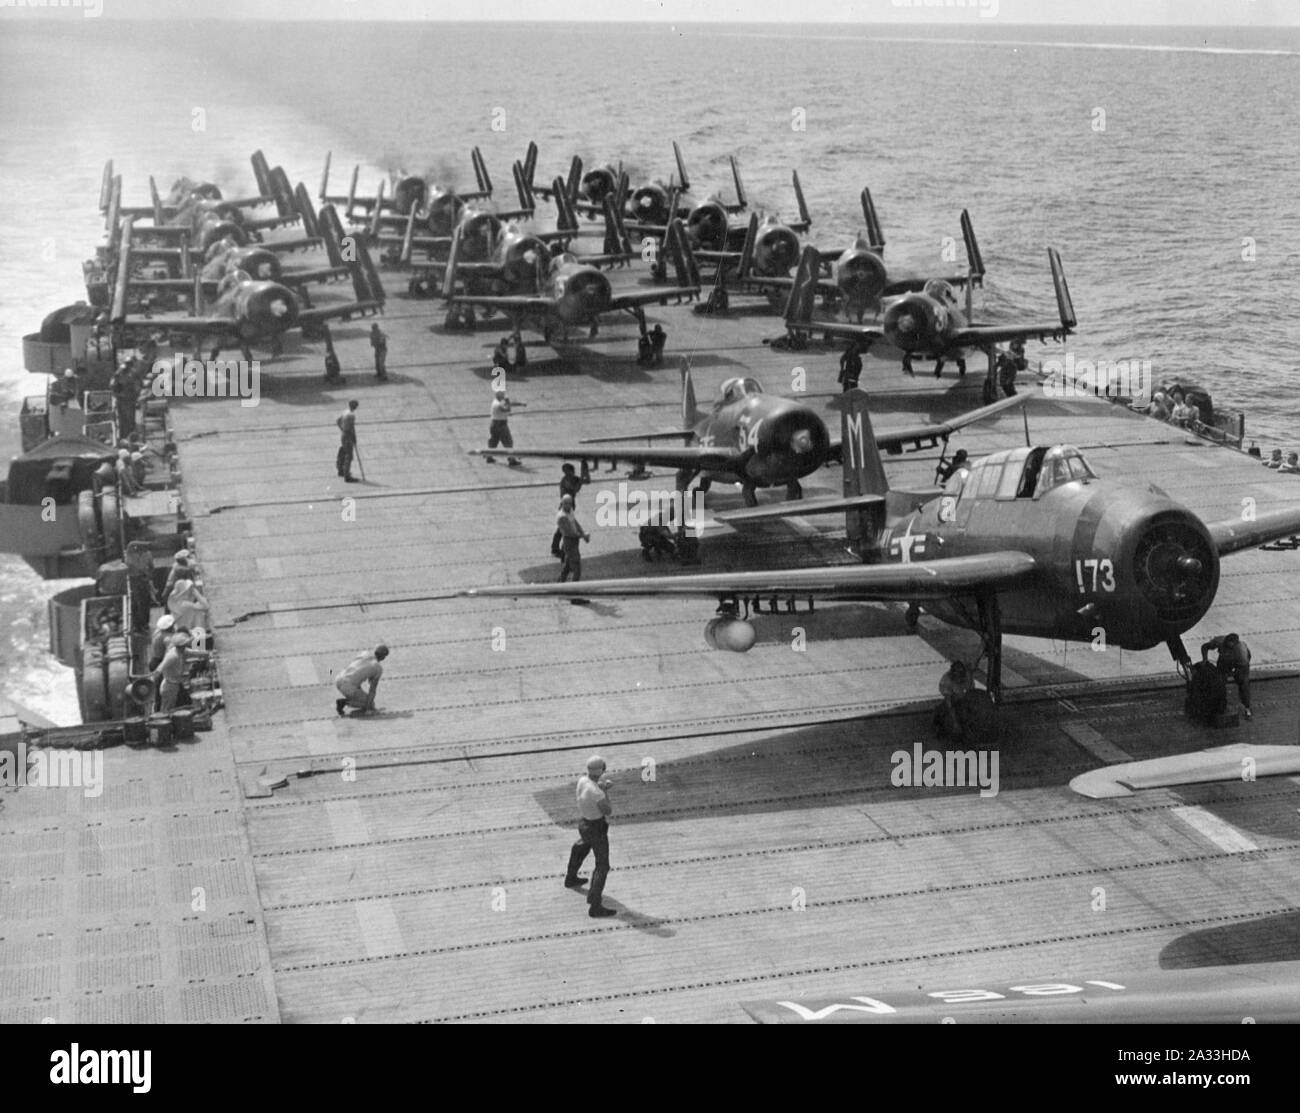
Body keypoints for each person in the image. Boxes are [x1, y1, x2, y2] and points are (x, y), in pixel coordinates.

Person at [563, 755, 617, 918]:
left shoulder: (583, 781)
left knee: (582, 845)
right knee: (602, 866)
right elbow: (608, 810)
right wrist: (604, 791)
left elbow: (590, 791)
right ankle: (595, 905)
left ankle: (571, 877)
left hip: (584, 824)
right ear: (601, 770)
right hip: (596, 827)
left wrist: (599, 787)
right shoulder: (597, 793)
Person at [1201, 634, 1252, 720]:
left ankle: (1247, 707)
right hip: (1224, 661)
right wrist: (1205, 660)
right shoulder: (1219, 641)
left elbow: (1247, 660)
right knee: (1219, 681)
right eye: (1226, 645)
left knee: (1244, 683)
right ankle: (1219, 702)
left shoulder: (1241, 651)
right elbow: (1204, 647)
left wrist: (1235, 672)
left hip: (1240, 665)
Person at [334, 644, 389, 715]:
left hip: (339, 678)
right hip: (348, 686)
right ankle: (344, 702)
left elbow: (357, 670)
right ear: (383, 657)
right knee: (371, 703)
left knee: (357, 686)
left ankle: (353, 700)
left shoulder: (364, 653)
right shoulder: (378, 668)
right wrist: (369, 709)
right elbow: (372, 690)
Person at [551, 464, 588, 557]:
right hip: (565, 505)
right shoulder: (566, 480)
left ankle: (558, 549)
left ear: (571, 471)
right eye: (565, 471)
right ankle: (560, 549)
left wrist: (584, 472)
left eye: (567, 471)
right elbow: (574, 488)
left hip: (570, 505)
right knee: (564, 528)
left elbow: (587, 481)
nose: (566, 473)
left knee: (563, 528)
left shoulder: (573, 478)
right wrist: (581, 480)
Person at [555, 494, 590, 582]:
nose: (568, 505)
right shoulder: (562, 516)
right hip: (569, 542)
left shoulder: (569, 511)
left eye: (570, 503)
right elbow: (569, 533)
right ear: (562, 503)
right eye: (566, 503)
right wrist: (583, 536)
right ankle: (574, 588)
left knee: (567, 566)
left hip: (574, 542)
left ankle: (560, 584)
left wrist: (582, 532)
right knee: (577, 567)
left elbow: (575, 522)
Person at [938, 660, 975, 739]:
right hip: (952, 698)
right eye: (957, 675)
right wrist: (955, 723)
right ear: (952, 675)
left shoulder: (968, 676)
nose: (959, 678)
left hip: (962, 696)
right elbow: (949, 702)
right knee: (945, 713)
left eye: (960, 675)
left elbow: (971, 693)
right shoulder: (946, 681)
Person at [484, 387, 520, 466]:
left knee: (493, 442)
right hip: (501, 425)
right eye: (503, 394)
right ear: (500, 395)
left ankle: (489, 456)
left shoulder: (496, 401)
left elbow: (507, 404)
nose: (504, 395)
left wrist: (520, 404)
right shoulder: (498, 404)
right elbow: (507, 409)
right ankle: (511, 459)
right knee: (508, 442)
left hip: (494, 424)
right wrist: (507, 400)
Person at [336, 399, 359, 482]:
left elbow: (338, 421)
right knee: (349, 455)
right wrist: (354, 438)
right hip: (348, 435)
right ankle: (347, 475)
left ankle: (340, 470)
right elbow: (352, 428)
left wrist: (342, 429)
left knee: (343, 452)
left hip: (343, 434)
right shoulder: (352, 415)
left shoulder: (345, 412)